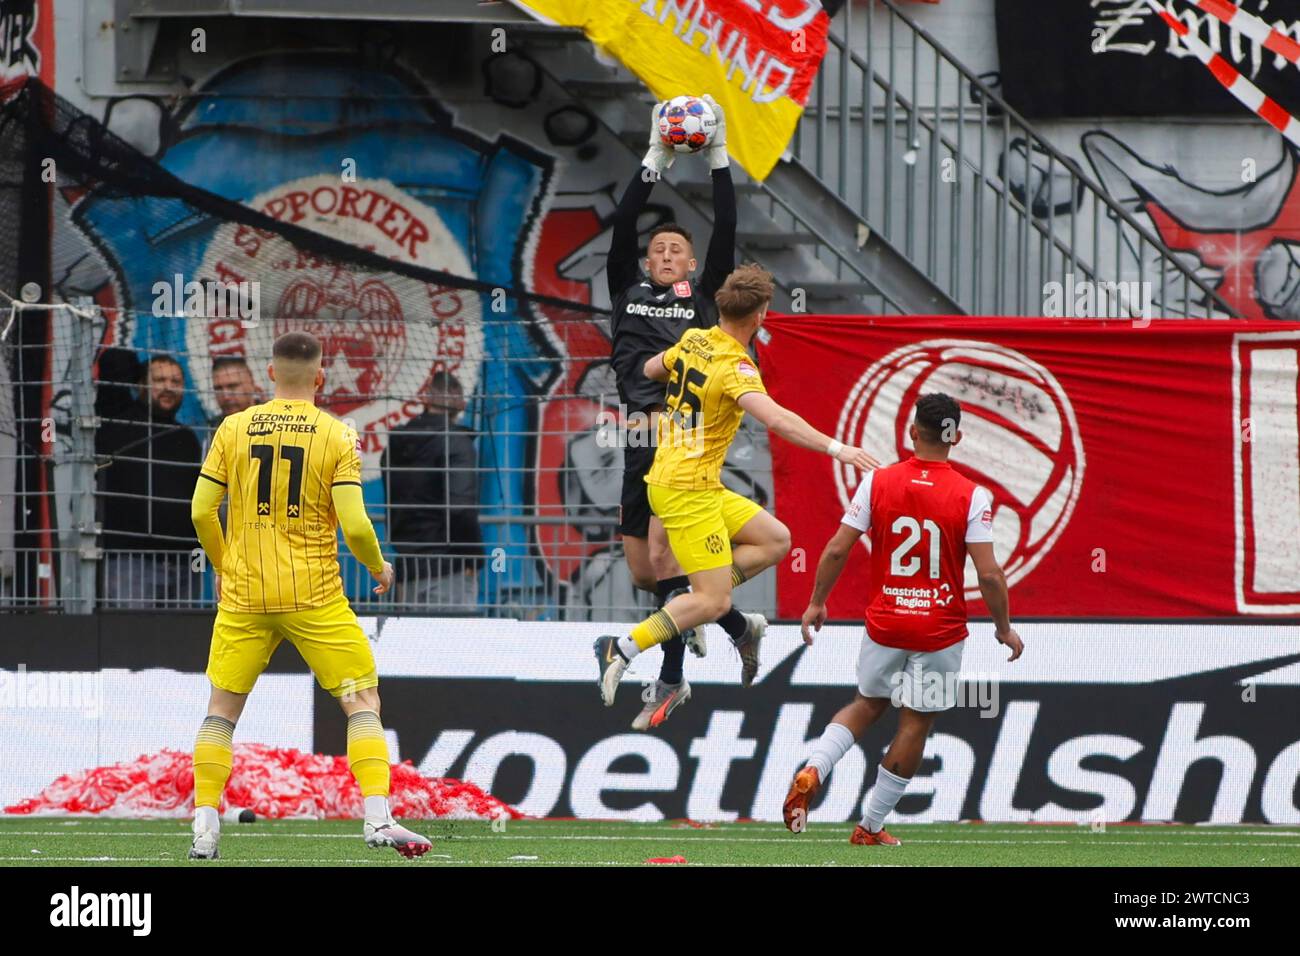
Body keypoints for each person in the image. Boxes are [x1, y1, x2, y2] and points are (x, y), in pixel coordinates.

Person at [595, 265, 878, 716]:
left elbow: (651, 368)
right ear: (761, 314)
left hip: (683, 479)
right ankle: (621, 649)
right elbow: (777, 419)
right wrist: (837, 447)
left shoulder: (694, 339)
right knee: (712, 599)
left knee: (775, 540)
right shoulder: (736, 366)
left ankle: (699, 610)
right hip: (686, 492)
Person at [188, 330, 429, 860]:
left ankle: (205, 826)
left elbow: (202, 511)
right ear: (321, 377)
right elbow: (356, 525)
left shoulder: (232, 429)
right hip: (313, 594)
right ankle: (377, 820)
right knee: (361, 702)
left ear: (269, 374)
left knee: (222, 712)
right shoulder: (338, 435)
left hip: (245, 595)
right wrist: (377, 565)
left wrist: (226, 564)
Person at [783, 393, 1024, 846]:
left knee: (866, 704)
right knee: (914, 725)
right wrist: (1003, 628)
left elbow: (837, 547)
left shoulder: (876, 482)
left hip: (886, 623)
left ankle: (815, 767)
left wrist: (816, 601)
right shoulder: (973, 496)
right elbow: (988, 573)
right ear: (958, 437)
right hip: (940, 631)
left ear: (913, 432)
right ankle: (870, 826)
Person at [607, 95, 758, 729]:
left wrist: (717, 156)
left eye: (677, 250)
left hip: (683, 442)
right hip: (636, 436)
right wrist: (655, 156)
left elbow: (725, 225)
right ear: (646, 262)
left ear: (694, 266)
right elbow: (624, 223)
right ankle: (731, 619)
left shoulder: (702, 297)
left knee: (672, 568)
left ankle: (670, 678)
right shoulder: (628, 288)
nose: (666, 254)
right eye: (658, 249)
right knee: (646, 575)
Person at [96, 353, 202, 607]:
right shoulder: (117, 426)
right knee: (128, 638)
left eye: (176, 381)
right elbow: (114, 363)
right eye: (160, 379)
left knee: (181, 640)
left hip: (183, 562)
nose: (168, 387)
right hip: (130, 561)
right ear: (141, 384)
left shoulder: (187, 438)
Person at [380, 370, 481, 611]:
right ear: (460, 404)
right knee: (453, 646)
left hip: (407, 568)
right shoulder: (457, 443)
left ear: (425, 399)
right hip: (449, 568)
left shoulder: (396, 443)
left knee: (410, 646)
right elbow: (460, 508)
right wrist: (474, 556)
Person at [209, 356, 265, 421]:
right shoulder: (212, 426)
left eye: (232, 387)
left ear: (251, 383)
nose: (226, 397)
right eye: (218, 389)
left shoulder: (273, 417)